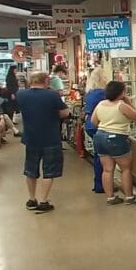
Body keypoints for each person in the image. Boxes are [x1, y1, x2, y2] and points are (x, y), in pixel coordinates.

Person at [18, 70, 70, 213]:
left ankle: (31, 199)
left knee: (30, 169)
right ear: (46, 81)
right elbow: (65, 113)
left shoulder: (21, 94)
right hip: (50, 137)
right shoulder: (52, 95)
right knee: (49, 170)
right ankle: (43, 201)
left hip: (30, 137)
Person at [91, 79, 136, 203]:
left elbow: (94, 121)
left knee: (107, 169)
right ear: (121, 93)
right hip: (117, 138)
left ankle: (110, 197)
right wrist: (129, 102)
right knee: (126, 169)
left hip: (100, 137)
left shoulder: (101, 104)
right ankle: (129, 197)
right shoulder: (121, 106)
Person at [82, 83, 108, 194]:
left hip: (90, 124)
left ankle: (99, 183)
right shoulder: (102, 93)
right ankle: (102, 184)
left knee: (99, 155)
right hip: (99, 125)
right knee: (103, 157)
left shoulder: (90, 93)